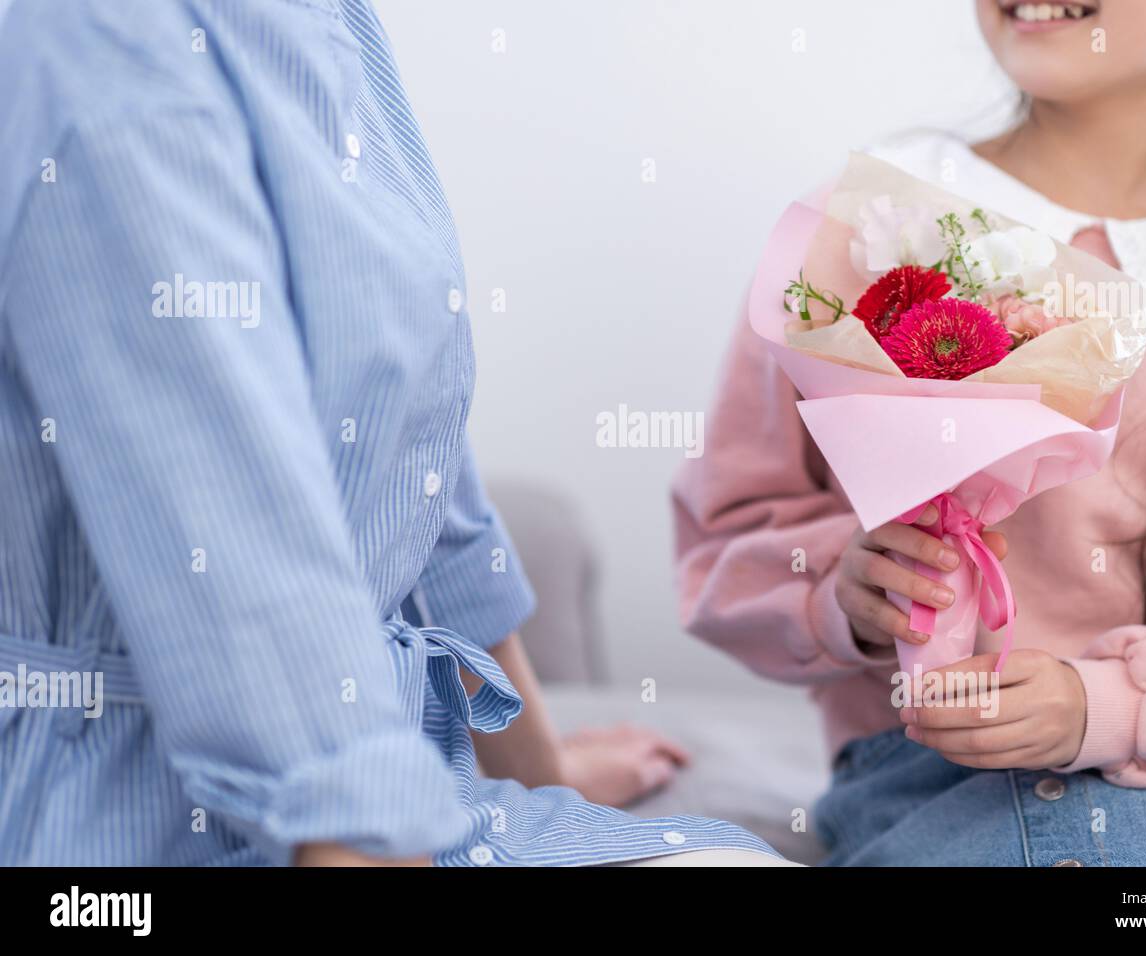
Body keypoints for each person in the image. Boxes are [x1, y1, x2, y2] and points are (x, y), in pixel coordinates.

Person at [0, 0, 780, 866]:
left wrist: (540, 770)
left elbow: (413, 453)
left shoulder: (333, 19)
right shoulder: (97, 38)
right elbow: (237, 545)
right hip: (137, 816)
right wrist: (367, 819)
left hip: (408, 784)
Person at [674, 0, 1146, 865]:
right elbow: (728, 538)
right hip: (925, 780)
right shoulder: (865, 226)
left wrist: (1108, 705)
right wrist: (845, 596)